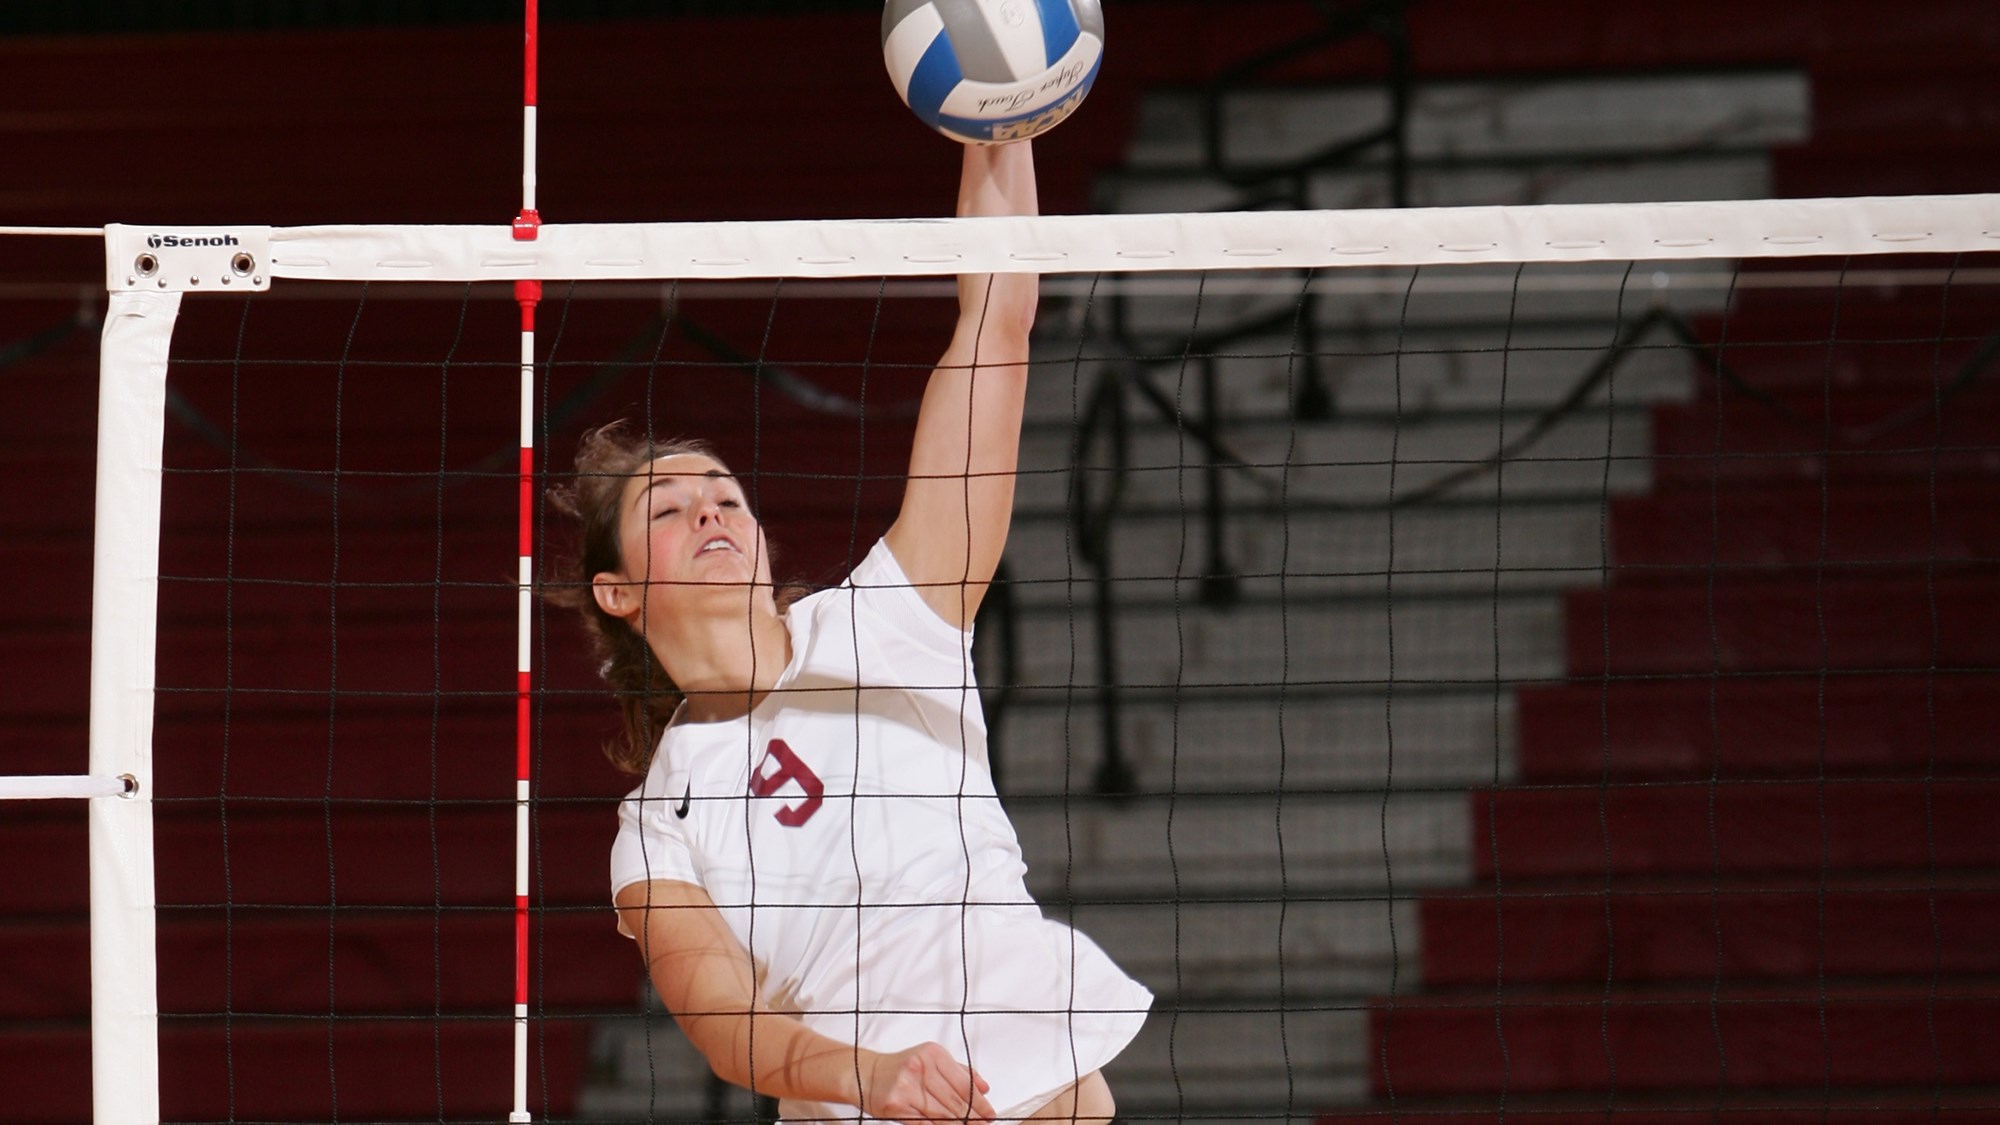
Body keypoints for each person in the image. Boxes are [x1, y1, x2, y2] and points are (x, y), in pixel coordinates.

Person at [552, 139, 1152, 1125]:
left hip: (1029, 1064)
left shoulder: (892, 616)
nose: (709, 513)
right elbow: (724, 1025)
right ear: (616, 593)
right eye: (667, 510)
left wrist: (999, 128)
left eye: (724, 496)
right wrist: (871, 1076)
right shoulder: (658, 827)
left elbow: (997, 323)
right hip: (857, 1104)